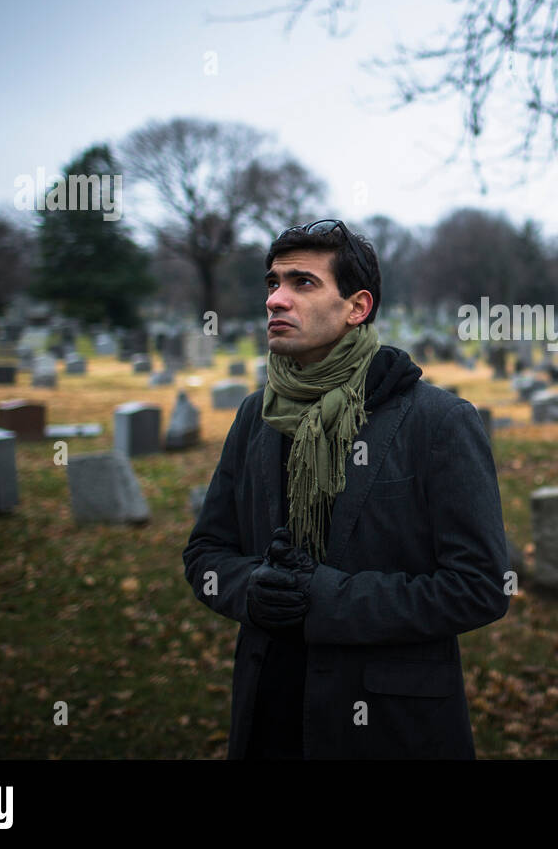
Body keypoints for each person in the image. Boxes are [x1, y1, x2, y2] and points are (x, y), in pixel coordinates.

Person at [182, 220, 510, 759]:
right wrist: (251, 589)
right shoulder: (255, 416)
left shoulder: (438, 422)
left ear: (357, 307)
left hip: (388, 726)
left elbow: (481, 585)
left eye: (301, 283)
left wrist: (326, 598)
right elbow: (205, 554)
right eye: (272, 283)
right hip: (269, 713)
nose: (275, 300)